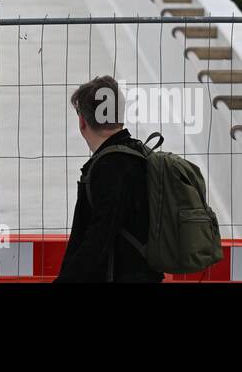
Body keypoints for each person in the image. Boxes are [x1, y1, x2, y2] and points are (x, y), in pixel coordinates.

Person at [55, 75, 163, 283]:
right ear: (119, 117)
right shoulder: (141, 156)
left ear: (82, 121)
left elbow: (97, 240)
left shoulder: (109, 167)